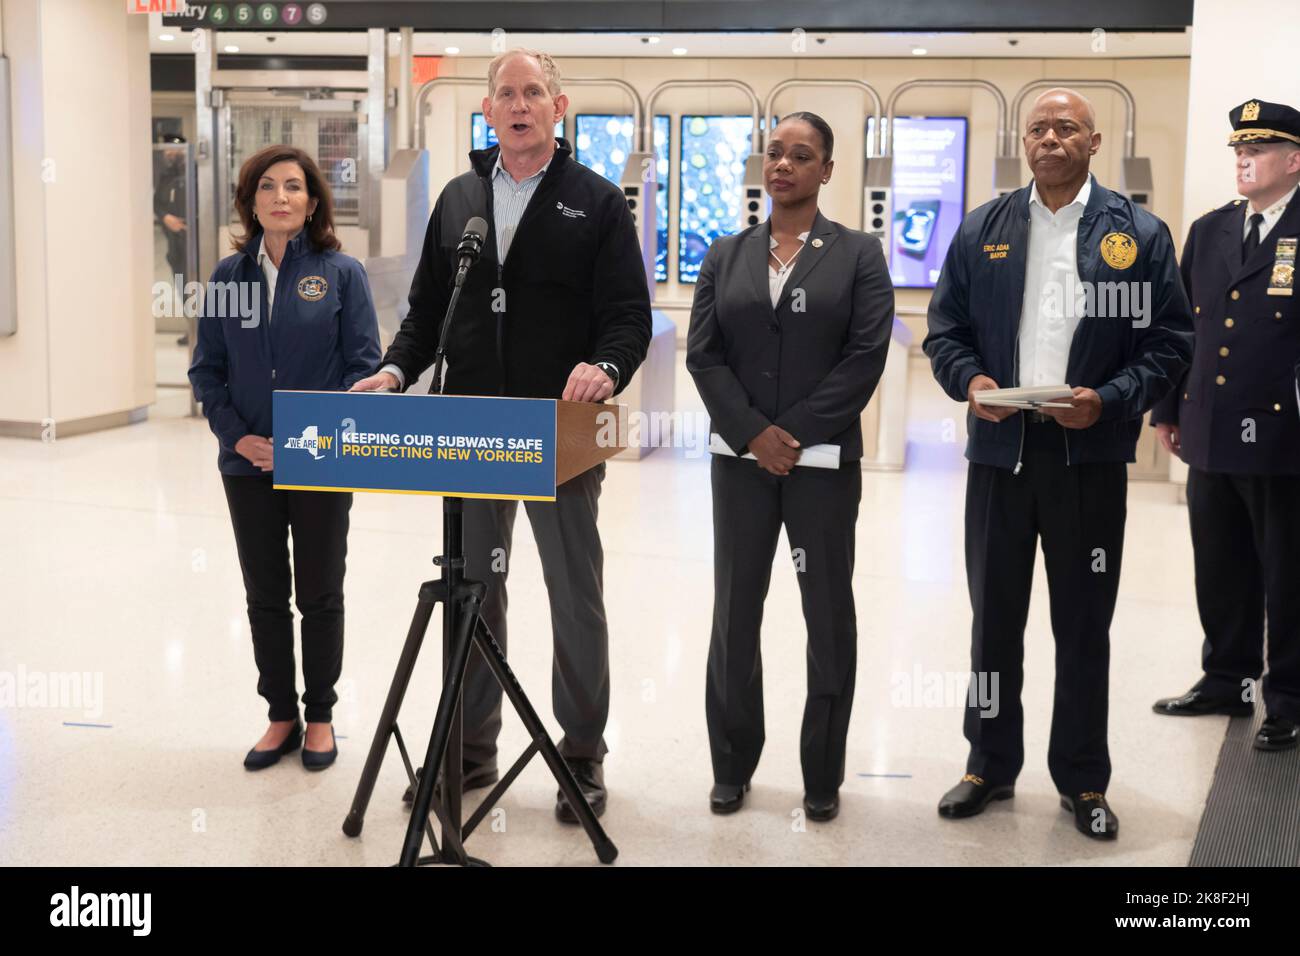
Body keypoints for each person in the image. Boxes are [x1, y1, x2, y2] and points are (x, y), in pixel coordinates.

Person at [351, 49, 651, 822]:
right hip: (471, 434)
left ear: (559, 105)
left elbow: (628, 314)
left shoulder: (596, 202)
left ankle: (582, 756)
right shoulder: (458, 200)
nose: (520, 105)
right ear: (487, 111)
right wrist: (393, 372)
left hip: (558, 437)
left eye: (534, 93)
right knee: (475, 592)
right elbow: (426, 312)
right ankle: (473, 752)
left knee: (573, 594)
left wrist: (606, 365)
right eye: (506, 94)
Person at [922, 88, 1193, 840]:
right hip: (1001, 459)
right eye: (1038, 127)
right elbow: (945, 332)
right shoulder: (985, 229)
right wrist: (973, 384)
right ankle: (986, 762)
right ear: (1024, 140)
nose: (1050, 138)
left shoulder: (1137, 234)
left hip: (1089, 459)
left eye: (1065, 127)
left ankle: (1083, 778)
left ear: (1094, 141)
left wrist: (1107, 400)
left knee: (1083, 627)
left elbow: (1170, 344)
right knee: (992, 625)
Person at [686, 112, 894, 822]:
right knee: (735, 613)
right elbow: (704, 354)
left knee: (826, 616)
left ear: (827, 171)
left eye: (801, 155)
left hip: (822, 466)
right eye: (774, 152)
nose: (784, 164)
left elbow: (865, 356)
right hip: (739, 466)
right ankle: (732, 764)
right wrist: (751, 434)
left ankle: (821, 773)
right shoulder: (726, 253)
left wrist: (792, 433)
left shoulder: (859, 254)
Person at [189, 144, 381, 772]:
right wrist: (238, 438)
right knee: (265, 594)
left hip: (320, 459)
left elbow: (362, 367)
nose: (280, 197)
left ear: (312, 200)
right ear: (250, 201)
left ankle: (321, 715)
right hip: (246, 464)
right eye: (267, 187)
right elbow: (207, 370)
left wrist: (322, 435)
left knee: (320, 591)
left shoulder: (341, 273)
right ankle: (280, 715)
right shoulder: (228, 277)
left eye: (293, 187)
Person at [1151, 99, 1300, 751]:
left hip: (1283, 438)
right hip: (1209, 428)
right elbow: (1182, 329)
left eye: (1260, 149)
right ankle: (1227, 680)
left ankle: (1288, 698)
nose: (1244, 158)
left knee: (1288, 574)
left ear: (1294, 160)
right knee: (1220, 565)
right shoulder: (1210, 230)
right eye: (1239, 149)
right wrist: (1166, 408)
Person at [154, 135, 190, 346]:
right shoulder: (166, 176)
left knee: (195, 286)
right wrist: (166, 218)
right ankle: (192, 328)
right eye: (166, 151)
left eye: (172, 150)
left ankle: (205, 334)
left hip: (193, 240)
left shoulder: (194, 173)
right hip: (173, 242)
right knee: (182, 285)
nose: (168, 154)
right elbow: (157, 203)